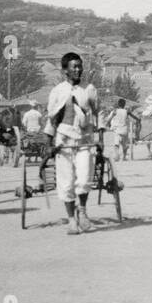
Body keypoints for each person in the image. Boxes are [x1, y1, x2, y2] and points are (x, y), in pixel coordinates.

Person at [45, 52, 98, 235]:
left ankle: (82, 212)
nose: (78, 69)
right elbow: (52, 120)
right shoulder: (57, 91)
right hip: (64, 141)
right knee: (66, 183)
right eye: (74, 67)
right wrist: (49, 142)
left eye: (80, 66)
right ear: (65, 70)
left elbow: (97, 115)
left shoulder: (89, 89)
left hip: (84, 140)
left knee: (83, 179)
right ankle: (71, 220)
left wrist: (99, 138)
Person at [108, 98, 131, 162]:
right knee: (124, 145)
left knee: (116, 144)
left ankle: (116, 157)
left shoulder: (115, 111)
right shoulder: (126, 111)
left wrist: (108, 124)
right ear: (124, 105)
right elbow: (132, 118)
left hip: (117, 130)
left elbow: (108, 119)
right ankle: (124, 157)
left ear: (118, 104)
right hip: (124, 130)